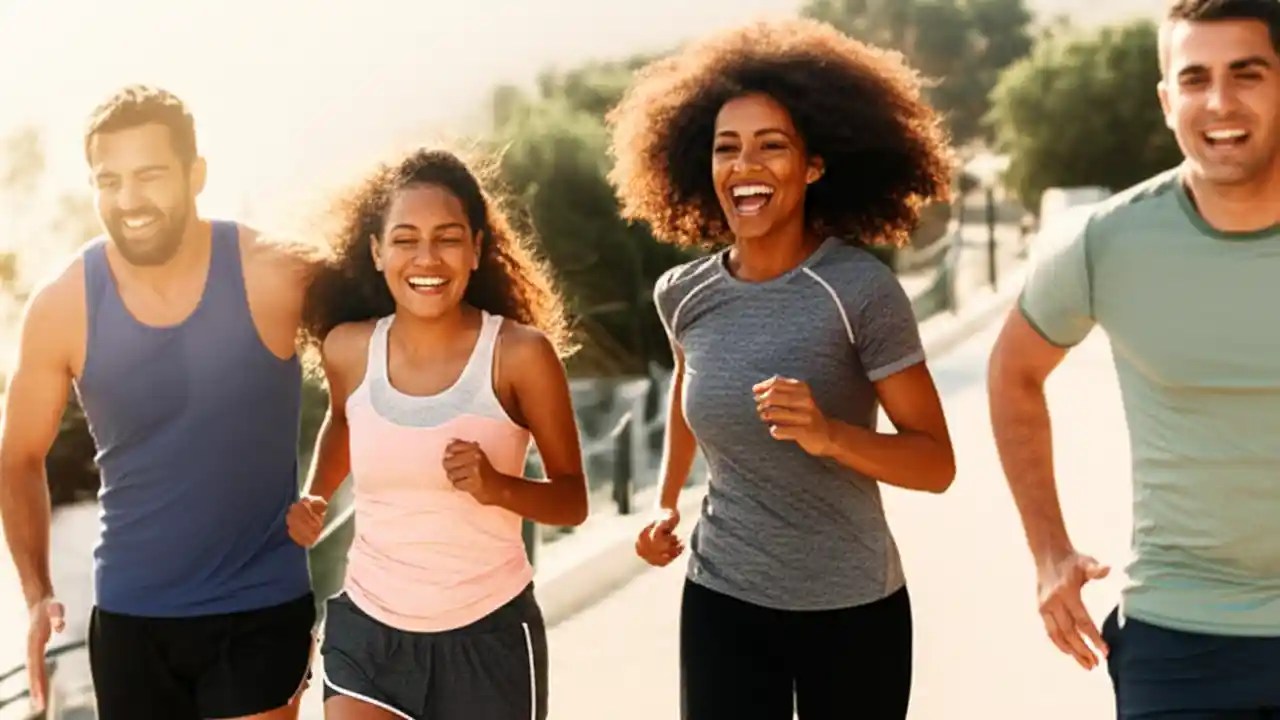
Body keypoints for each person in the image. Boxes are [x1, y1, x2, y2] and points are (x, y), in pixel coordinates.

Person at [605, 18, 957, 720]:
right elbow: (686, 390)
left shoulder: (858, 291)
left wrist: (831, 435)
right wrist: (666, 501)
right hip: (722, 600)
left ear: (814, 166)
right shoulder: (684, 294)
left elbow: (936, 464)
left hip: (852, 607)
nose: (746, 166)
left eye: (773, 147)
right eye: (726, 149)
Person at [987, 0, 1280, 717]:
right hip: (1180, 641)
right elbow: (1014, 372)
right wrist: (1049, 552)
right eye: (1194, 78)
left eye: (1247, 74)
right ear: (1165, 99)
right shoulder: (1103, 242)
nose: (1219, 102)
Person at [0, 86, 318, 718]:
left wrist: (324, 488)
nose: (129, 199)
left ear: (195, 175)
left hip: (260, 607)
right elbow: (18, 457)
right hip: (130, 620)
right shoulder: (63, 303)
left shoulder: (276, 272)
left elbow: (375, 373)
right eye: (108, 180)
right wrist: (36, 594)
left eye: (149, 175)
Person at [287, 147, 588, 720]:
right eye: (404, 239)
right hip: (369, 635)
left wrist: (498, 486)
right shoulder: (348, 349)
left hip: (488, 637)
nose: (426, 257)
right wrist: (317, 496)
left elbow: (572, 498)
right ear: (377, 252)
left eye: (448, 237)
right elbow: (345, 422)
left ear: (477, 248)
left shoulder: (520, 356)